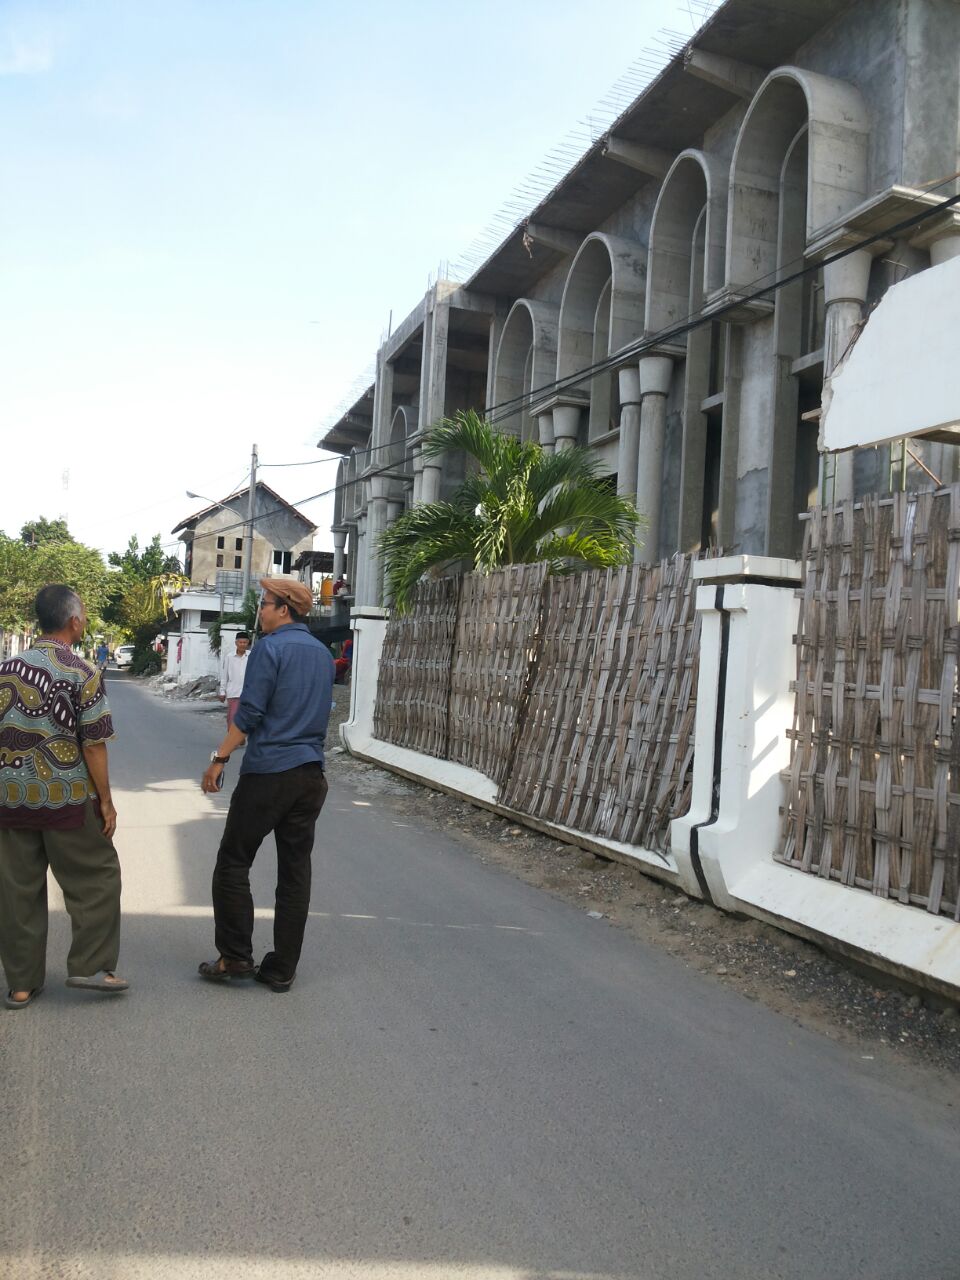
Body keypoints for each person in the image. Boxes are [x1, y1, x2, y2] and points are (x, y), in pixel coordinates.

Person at [199, 577, 335, 993]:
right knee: (295, 872)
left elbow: (250, 713)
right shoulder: (322, 654)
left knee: (233, 861)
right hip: (310, 775)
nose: (260, 611)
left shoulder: (269, 648)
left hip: (269, 773)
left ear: (283, 609)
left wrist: (220, 758)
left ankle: (235, 956)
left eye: (265, 604)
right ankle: (281, 968)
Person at [0, 585, 128, 1008]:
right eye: (84, 614)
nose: (85, 620)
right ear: (74, 621)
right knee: (96, 878)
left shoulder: (5, 669)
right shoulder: (82, 672)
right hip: (67, 799)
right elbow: (94, 744)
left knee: (16, 890)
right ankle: (91, 966)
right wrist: (105, 801)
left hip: (10, 798)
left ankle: (21, 984)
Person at [217, 630, 250, 727]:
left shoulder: (252, 656)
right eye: (240, 642)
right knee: (232, 717)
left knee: (245, 718)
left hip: (248, 693)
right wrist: (222, 691)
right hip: (233, 692)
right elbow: (224, 675)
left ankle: (240, 734)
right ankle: (232, 734)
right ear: (236, 643)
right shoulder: (229, 657)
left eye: (245, 642)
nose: (242, 644)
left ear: (248, 643)